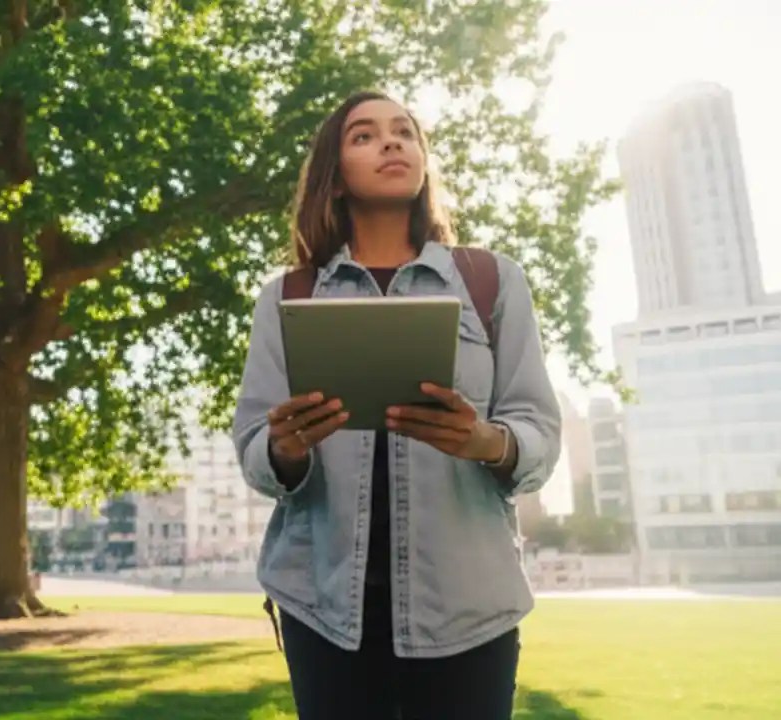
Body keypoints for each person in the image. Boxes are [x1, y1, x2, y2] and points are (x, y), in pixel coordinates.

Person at [232, 91, 561, 719]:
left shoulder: (493, 281)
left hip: (469, 612)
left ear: (422, 159)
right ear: (334, 175)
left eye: (404, 132)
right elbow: (254, 447)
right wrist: (284, 449)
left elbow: (538, 432)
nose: (390, 143)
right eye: (364, 135)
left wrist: (485, 441)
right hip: (322, 610)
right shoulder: (287, 296)